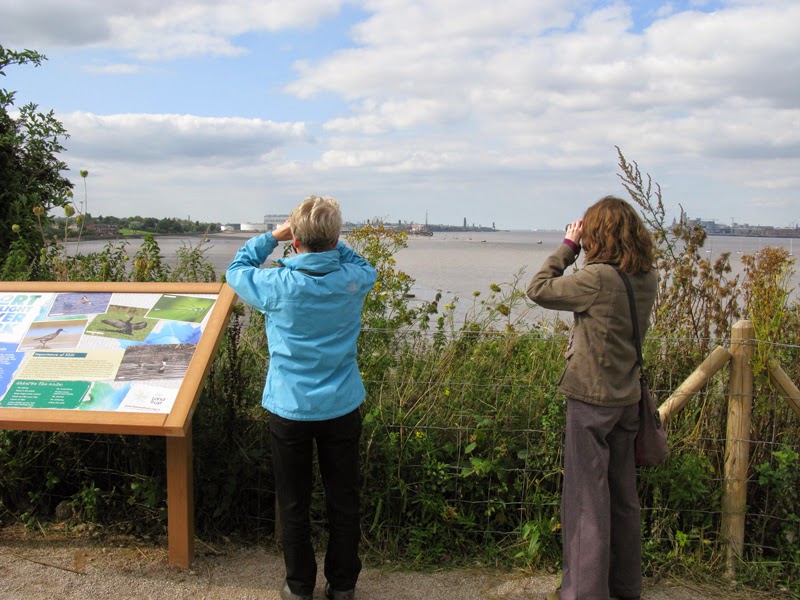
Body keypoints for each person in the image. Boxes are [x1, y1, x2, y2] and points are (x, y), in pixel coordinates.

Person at [225, 196, 377, 600]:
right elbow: (365, 266)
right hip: (342, 406)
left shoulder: (276, 286)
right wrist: (331, 242)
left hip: (289, 408)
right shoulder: (351, 281)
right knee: (344, 500)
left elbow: (236, 269)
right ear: (336, 237)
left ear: (294, 240)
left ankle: (299, 587)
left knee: (294, 503)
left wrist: (275, 236)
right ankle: (342, 586)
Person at [526, 196, 657, 600]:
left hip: (590, 401)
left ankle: (584, 592)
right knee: (622, 497)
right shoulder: (647, 276)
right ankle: (623, 587)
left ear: (596, 235)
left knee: (586, 499)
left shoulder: (597, 279)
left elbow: (538, 289)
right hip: (627, 399)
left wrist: (568, 247)